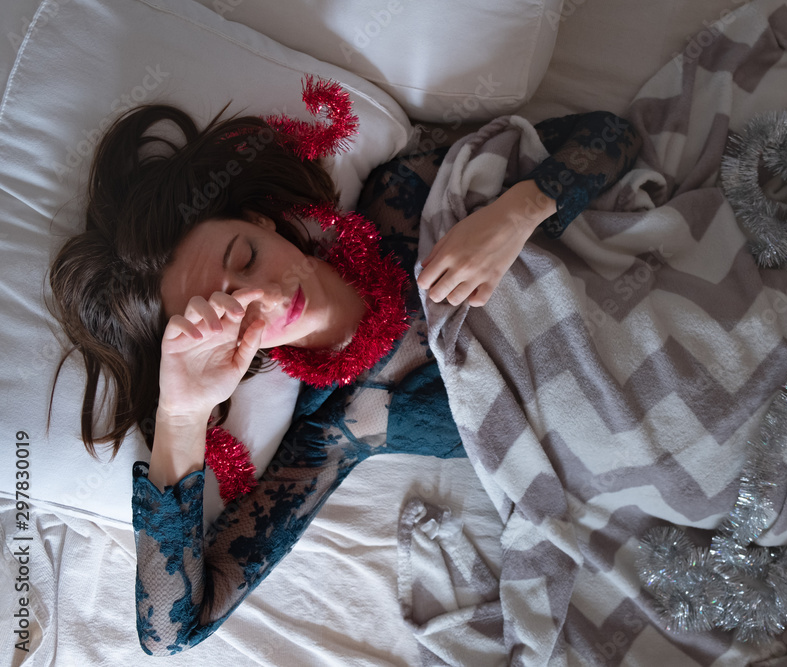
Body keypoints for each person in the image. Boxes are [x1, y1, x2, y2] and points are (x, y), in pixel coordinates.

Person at [47, 84, 640, 656]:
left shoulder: (404, 196)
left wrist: (518, 210)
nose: (269, 296)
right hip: (627, 442)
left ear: (262, 221)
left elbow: (613, 136)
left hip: (637, 312)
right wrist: (182, 415)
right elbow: (169, 631)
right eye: (231, 308)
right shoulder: (334, 429)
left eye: (247, 257)